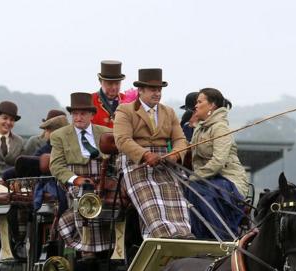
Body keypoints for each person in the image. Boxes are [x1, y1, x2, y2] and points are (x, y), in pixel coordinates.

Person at [113, 68, 192, 238]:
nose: (157, 93)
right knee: (150, 194)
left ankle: (183, 234)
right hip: (135, 163)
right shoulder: (125, 110)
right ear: (140, 90)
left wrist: (175, 155)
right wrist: (145, 155)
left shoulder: (169, 112)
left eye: (159, 90)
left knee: (175, 193)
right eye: (152, 90)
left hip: (164, 163)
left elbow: (180, 140)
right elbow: (122, 140)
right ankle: (163, 235)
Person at [50, 92, 114, 254]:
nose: (78, 117)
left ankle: (117, 245)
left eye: (83, 113)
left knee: (120, 199)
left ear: (92, 115)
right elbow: (56, 166)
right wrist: (75, 179)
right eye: (75, 113)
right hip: (75, 180)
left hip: (103, 177)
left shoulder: (106, 132)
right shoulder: (59, 135)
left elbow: (116, 160)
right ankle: (87, 248)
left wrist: (110, 179)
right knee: (85, 196)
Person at [186, 88, 248, 239]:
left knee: (199, 190)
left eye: (200, 102)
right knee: (189, 191)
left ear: (212, 106)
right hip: (207, 179)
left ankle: (221, 237)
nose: (196, 106)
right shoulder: (199, 129)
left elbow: (218, 162)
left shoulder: (220, 128)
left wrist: (193, 178)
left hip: (229, 180)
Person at [92, 60, 125, 128]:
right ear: (100, 82)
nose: (114, 87)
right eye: (109, 83)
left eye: (117, 83)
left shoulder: (127, 100)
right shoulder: (90, 100)